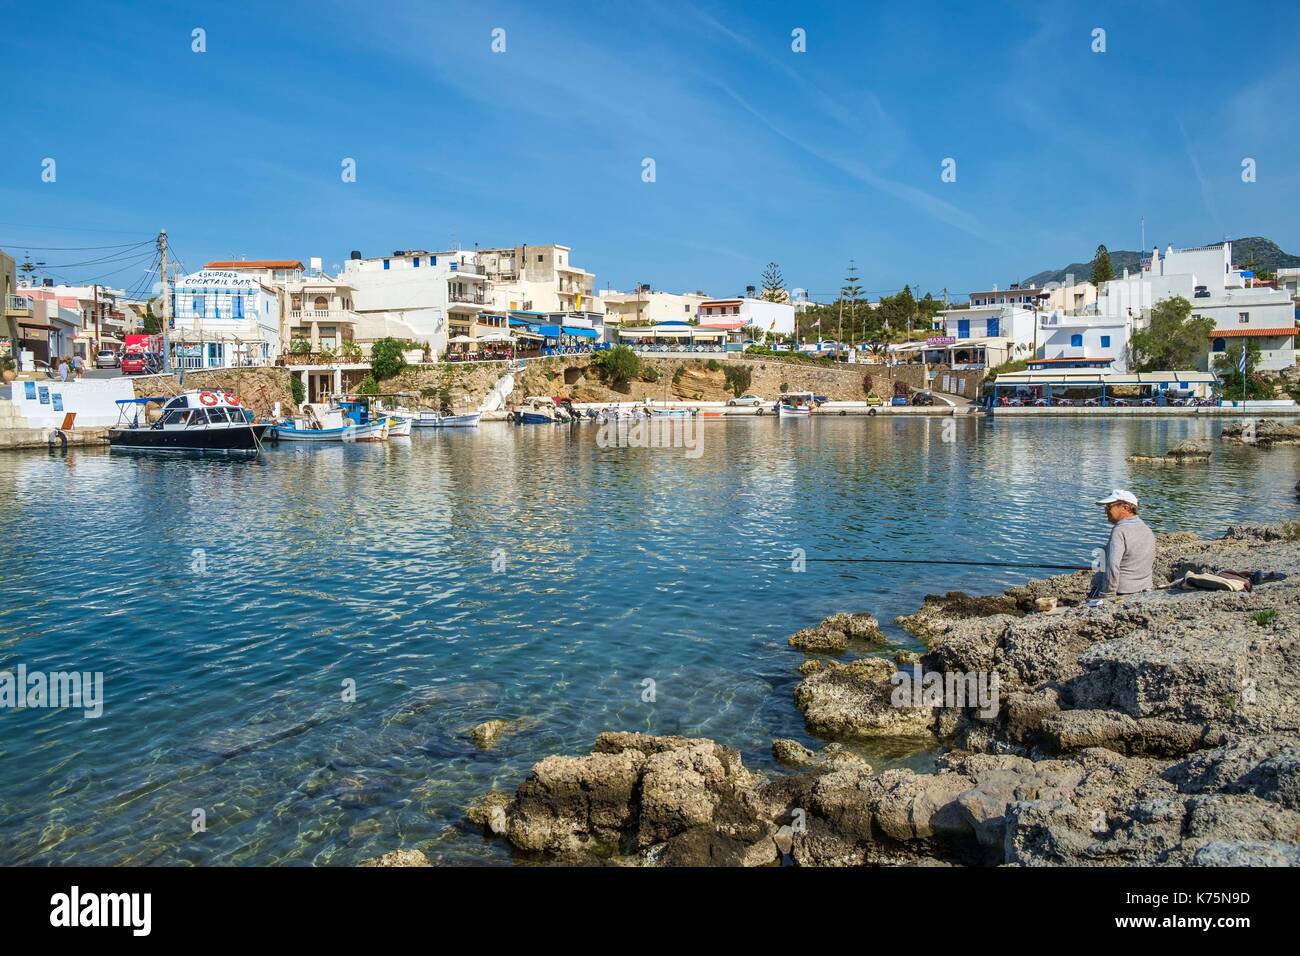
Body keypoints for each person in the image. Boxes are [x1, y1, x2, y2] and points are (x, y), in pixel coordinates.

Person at [1089, 489, 1156, 601]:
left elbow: (1112, 566)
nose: (1105, 511)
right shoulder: (1147, 529)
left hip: (1121, 591)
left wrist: (1108, 595)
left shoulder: (1119, 531)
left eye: (1109, 507)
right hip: (1143, 589)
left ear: (1125, 508)